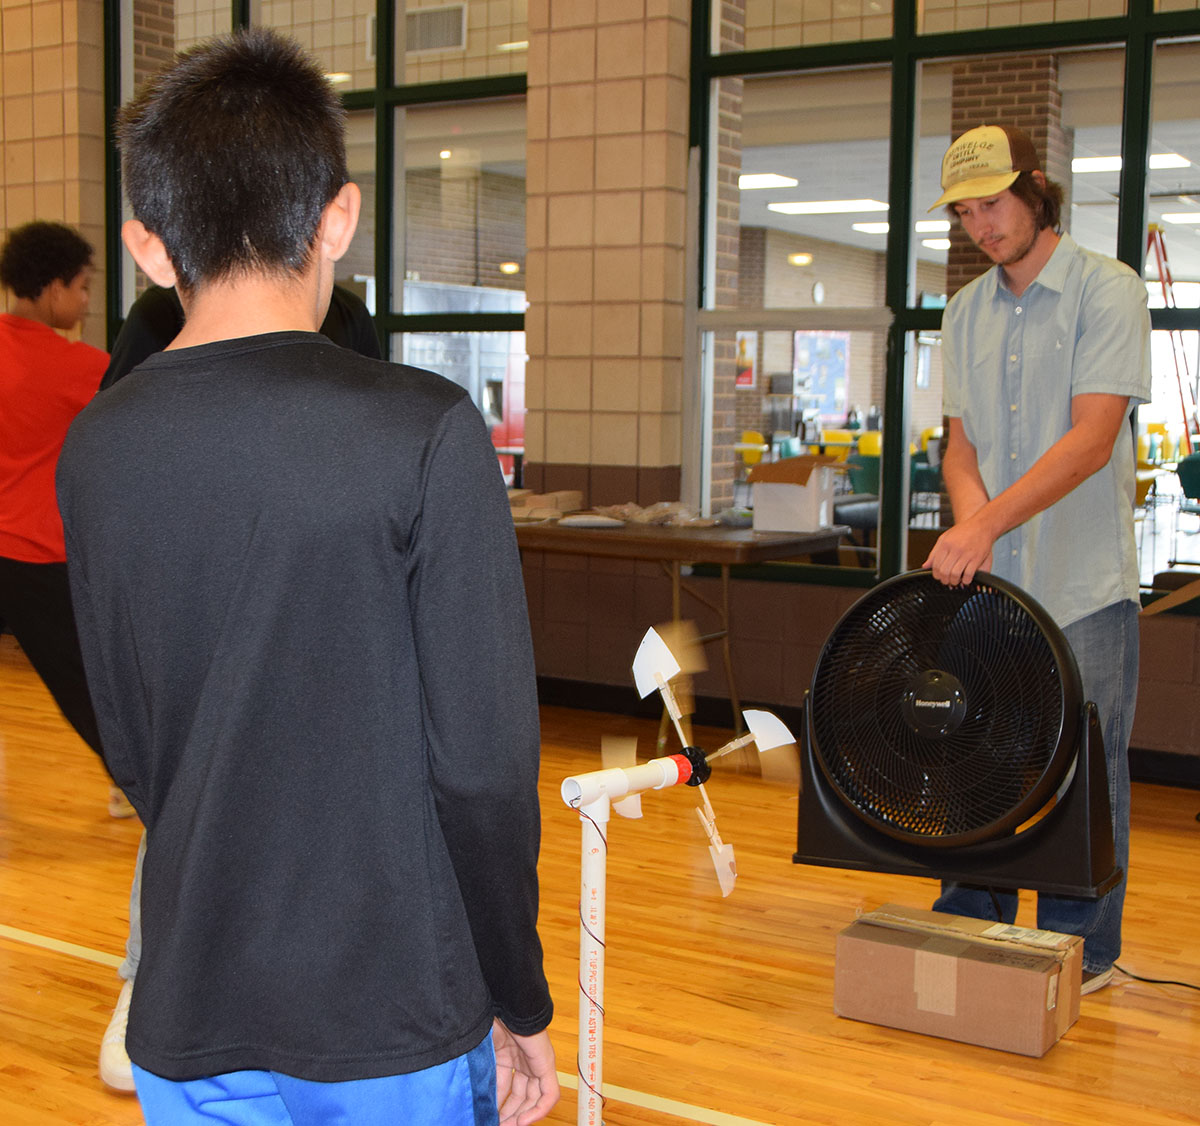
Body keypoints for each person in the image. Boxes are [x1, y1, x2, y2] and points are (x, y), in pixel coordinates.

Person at [57, 28, 558, 1125]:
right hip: (391, 1011)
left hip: (192, 1002)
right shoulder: (423, 429)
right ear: (340, 214)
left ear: (147, 244)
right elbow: (479, 765)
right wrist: (517, 993)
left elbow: (133, 742)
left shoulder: (98, 446)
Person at [93, 281, 379, 1092]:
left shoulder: (343, 316)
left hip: (318, 601)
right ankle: (144, 985)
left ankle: (319, 989)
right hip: (193, 605)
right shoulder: (157, 323)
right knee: (196, 792)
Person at [923, 123, 1151, 995]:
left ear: (1035, 191)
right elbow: (960, 447)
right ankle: (973, 921)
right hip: (991, 590)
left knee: (1084, 770)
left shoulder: (1108, 290)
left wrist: (985, 530)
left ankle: (1081, 946)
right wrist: (973, 525)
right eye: (967, 212)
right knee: (978, 754)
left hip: (1083, 587)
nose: (983, 225)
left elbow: (1091, 441)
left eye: (995, 203)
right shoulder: (962, 311)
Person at [0, 221, 133, 819]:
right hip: (33, 554)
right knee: (85, 682)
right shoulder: (78, 367)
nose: (83, 302)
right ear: (53, 288)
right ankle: (132, 784)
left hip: (23, 548)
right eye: (81, 288)